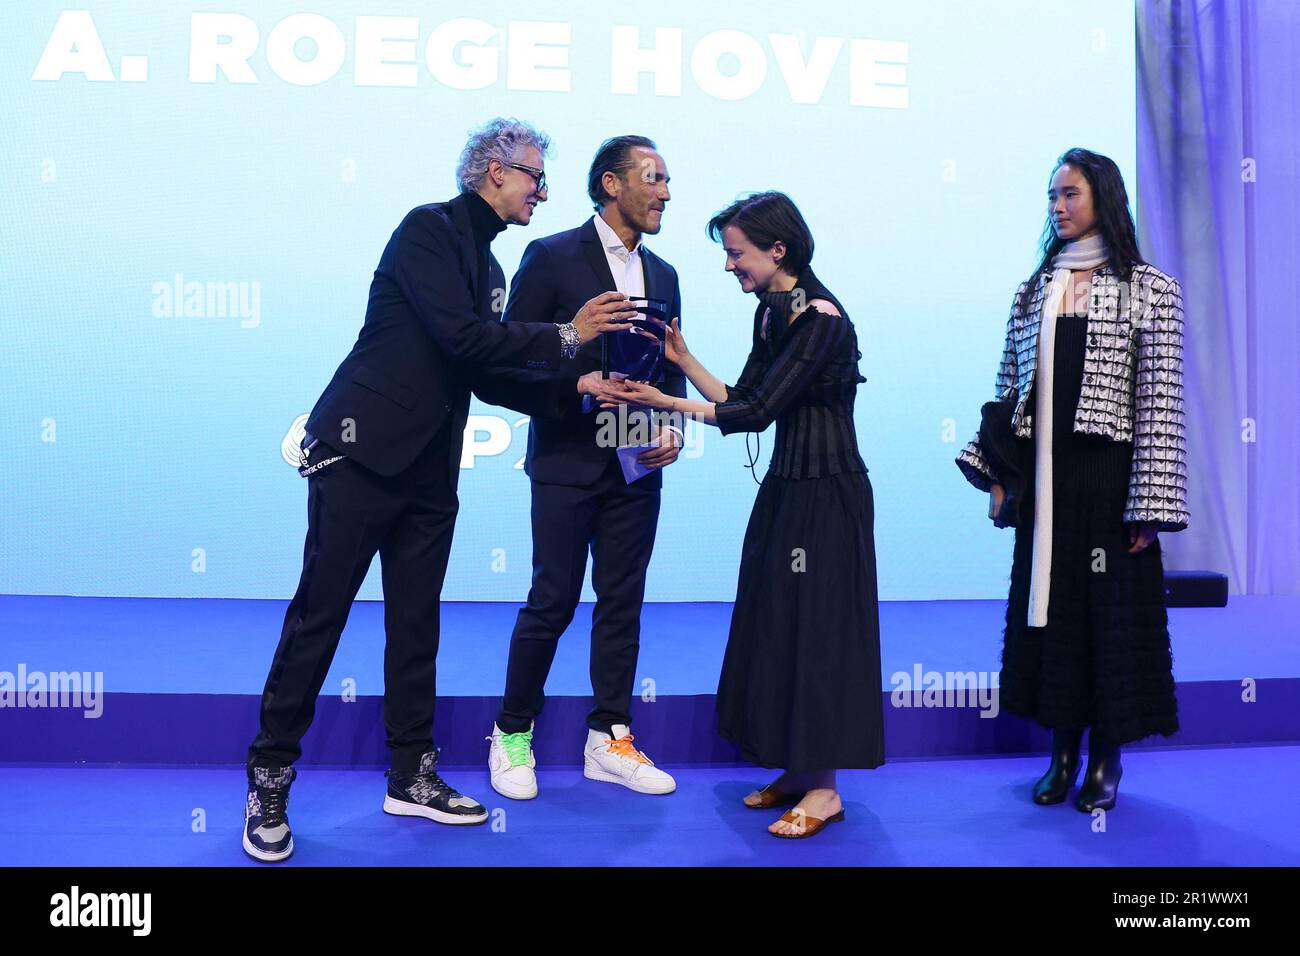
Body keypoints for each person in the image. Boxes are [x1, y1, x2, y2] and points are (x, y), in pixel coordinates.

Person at [242, 118, 635, 863]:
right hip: (357, 457)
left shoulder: (490, 269)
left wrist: (573, 383)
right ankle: (269, 781)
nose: (542, 191)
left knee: (417, 625)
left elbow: (484, 373)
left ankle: (411, 776)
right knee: (317, 622)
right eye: (533, 176)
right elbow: (460, 339)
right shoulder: (426, 230)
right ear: (493, 171)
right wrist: (565, 335)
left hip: (427, 473)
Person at [603, 191, 884, 838]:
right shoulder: (772, 311)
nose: (730, 266)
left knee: (818, 636)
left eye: (736, 253)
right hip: (786, 490)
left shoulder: (821, 319)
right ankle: (795, 769)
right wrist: (682, 361)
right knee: (777, 627)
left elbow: (756, 415)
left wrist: (659, 400)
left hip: (828, 496)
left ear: (776, 250)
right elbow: (743, 395)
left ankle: (825, 791)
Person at [956, 147, 1187, 813]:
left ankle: (1106, 760)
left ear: (1103, 199)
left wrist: (1149, 502)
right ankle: (1062, 752)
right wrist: (997, 477)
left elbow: (1160, 402)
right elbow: (1007, 391)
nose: (1058, 206)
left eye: (1071, 194)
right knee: (1051, 622)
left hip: (1110, 484)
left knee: (1108, 625)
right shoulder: (1033, 291)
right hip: (1046, 487)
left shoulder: (1151, 289)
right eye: (1053, 195)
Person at [486, 135, 684, 801]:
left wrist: (672, 429)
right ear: (611, 184)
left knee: (623, 604)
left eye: (666, 181)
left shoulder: (666, 275)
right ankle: (513, 733)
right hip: (567, 460)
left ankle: (610, 737)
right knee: (552, 601)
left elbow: (667, 369)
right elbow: (503, 365)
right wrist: (573, 383)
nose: (665, 193)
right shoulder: (549, 256)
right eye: (653, 178)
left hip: (638, 467)